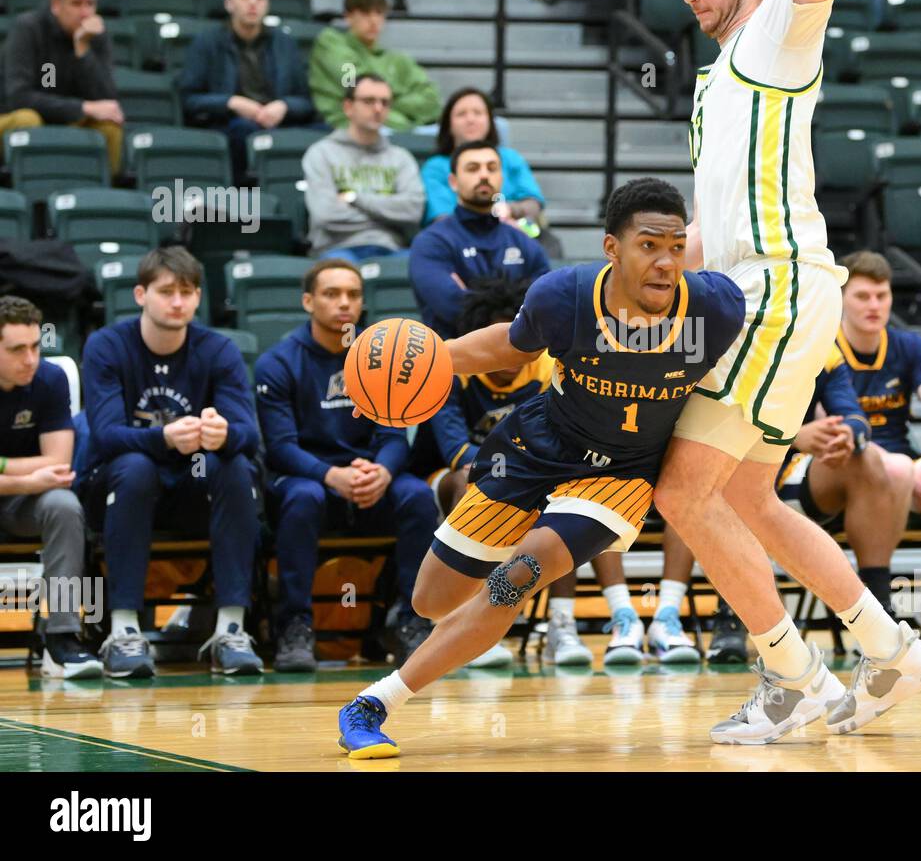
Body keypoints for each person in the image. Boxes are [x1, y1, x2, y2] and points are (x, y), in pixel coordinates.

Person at [652, 0, 921, 746]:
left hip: (777, 287)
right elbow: (709, 223)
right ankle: (890, 649)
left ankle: (790, 676)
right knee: (748, 494)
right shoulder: (714, 83)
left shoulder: (778, 25)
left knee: (682, 489)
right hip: (751, 289)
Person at [335, 177, 747, 758]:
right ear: (612, 248)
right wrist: (402, 374)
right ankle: (467, 621)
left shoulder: (715, 309)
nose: (664, 261)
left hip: (621, 475)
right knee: (432, 599)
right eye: (648, 246)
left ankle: (373, 703)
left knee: (515, 579)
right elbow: (508, 346)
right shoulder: (565, 297)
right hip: (536, 449)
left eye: (676, 247)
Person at [411, 276, 704, 666]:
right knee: (474, 481)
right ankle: (468, 620)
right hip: (457, 473)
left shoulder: (544, 364)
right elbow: (456, 449)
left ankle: (565, 621)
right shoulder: (458, 371)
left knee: (572, 499)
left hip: (557, 468)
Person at [78, 248, 262, 678]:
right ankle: (123, 631)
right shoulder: (107, 346)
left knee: (234, 465)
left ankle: (230, 629)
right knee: (135, 466)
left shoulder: (219, 349)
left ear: (198, 297)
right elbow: (105, 436)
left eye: (187, 292)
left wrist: (224, 434)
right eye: (166, 292)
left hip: (194, 491)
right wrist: (162, 438)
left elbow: (249, 435)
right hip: (120, 489)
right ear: (141, 294)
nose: (177, 302)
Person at [254, 259, 439, 672]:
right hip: (308, 480)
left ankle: (412, 622)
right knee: (303, 497)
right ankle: (294, 627)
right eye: (332, 294)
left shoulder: (378, 358)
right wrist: (330, 475)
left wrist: (384, 472)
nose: (344, 304)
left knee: (416, 495)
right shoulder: (279, 363)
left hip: (369, 481)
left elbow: (393, 437)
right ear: (308, 301)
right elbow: (280, 448)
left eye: (353, 295)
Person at [812, 251, 921, 654]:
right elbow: (827, 424)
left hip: (902, 461)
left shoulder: (907, 345)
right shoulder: (822, 345)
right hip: (840, 464)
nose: (874, 306)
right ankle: (872, 608)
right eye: (863, 296)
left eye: (882, 296)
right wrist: (902, 471)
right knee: (894, 467)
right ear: (841, 299)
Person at [0, 296, 101, 680]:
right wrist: (24, 477)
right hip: (25, 487)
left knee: (63, 504)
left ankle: (61, 640)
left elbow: (58, 463)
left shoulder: (50, 378)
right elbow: (42, 468)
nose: (29, 359)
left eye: (34, 347)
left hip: (25, 505)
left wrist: (26, 482)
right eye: (16, 350)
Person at [178, 0, 316, 183]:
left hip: (278, 122)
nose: (253, 3)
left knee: (325, 133)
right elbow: (189, 99)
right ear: (229, 3)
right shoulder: (207, 42)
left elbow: (306, 102)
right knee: (244, 129)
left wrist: (284, 106)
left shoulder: (284, 43)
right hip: (229, 124)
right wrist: (232, 102)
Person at [409, 140, 551, 338]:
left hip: (518, 362)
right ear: (453, 182)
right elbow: (455, 310)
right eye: (473, 168)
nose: (484, 175)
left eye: (492, 168)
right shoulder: (431, 242)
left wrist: (473, 297)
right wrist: (516, 299)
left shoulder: (523, 242)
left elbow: (545, 306)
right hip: (453, 363)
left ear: (501, 178)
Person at [2, 0, 123, 175]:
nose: (86, 13)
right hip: (10, 117)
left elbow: (106, 99)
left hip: (66, 118)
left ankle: (105, 196)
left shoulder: (95, 35)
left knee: (109, 127)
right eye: (76, 4)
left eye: (91, 4)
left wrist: (83, 50)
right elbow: (18, 97)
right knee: (27, 120)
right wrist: (83, 108)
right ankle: (26, 189)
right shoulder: (28, 28)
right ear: (56, 5)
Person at [301, 73, 425, 264]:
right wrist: (387, 216)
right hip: (337, 250)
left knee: (419, 266)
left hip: (391, 249)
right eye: (369, 101)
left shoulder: (401, 158)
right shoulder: (321, 153)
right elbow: (325, 215)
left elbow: (413, 210)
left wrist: (354, 198)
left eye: (384, 102)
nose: (378, 108)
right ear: (348, 107)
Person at [308, 0, 441, 133]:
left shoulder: (398, 60)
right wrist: (403, 103)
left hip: (399, 127)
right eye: (365, 13)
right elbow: (355, 85)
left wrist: (383, 102)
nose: (373, 20)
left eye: (379, 13)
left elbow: (432, 101)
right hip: (347, 128)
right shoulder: (330, 43)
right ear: (348, 17)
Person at [419, 87, 544, 228]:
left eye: (478, 113)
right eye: (461, 114)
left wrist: (509, 210)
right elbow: (440, 218)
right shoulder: (435, 167)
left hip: (516, 232)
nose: (470, 119)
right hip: (459, 240)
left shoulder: (510, 158)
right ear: (448, 124)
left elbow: (533, 203)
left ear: (490, 121)